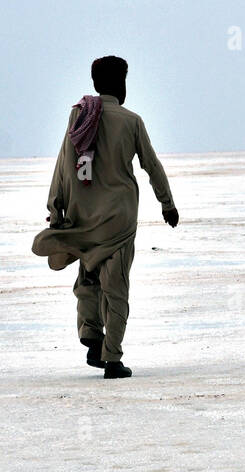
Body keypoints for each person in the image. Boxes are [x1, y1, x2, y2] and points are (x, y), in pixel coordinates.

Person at [32, 55, 178, 379]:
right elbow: (151, 166)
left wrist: (54, 206)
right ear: (121, 84)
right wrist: (167, 204)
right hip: (119, 221)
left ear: (96, 84)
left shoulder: (80, 116)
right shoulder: (131, 121)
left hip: (83, 219)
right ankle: (112, 359)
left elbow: (64, 163)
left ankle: (92, 339)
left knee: (88, 278)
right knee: (116, 288)